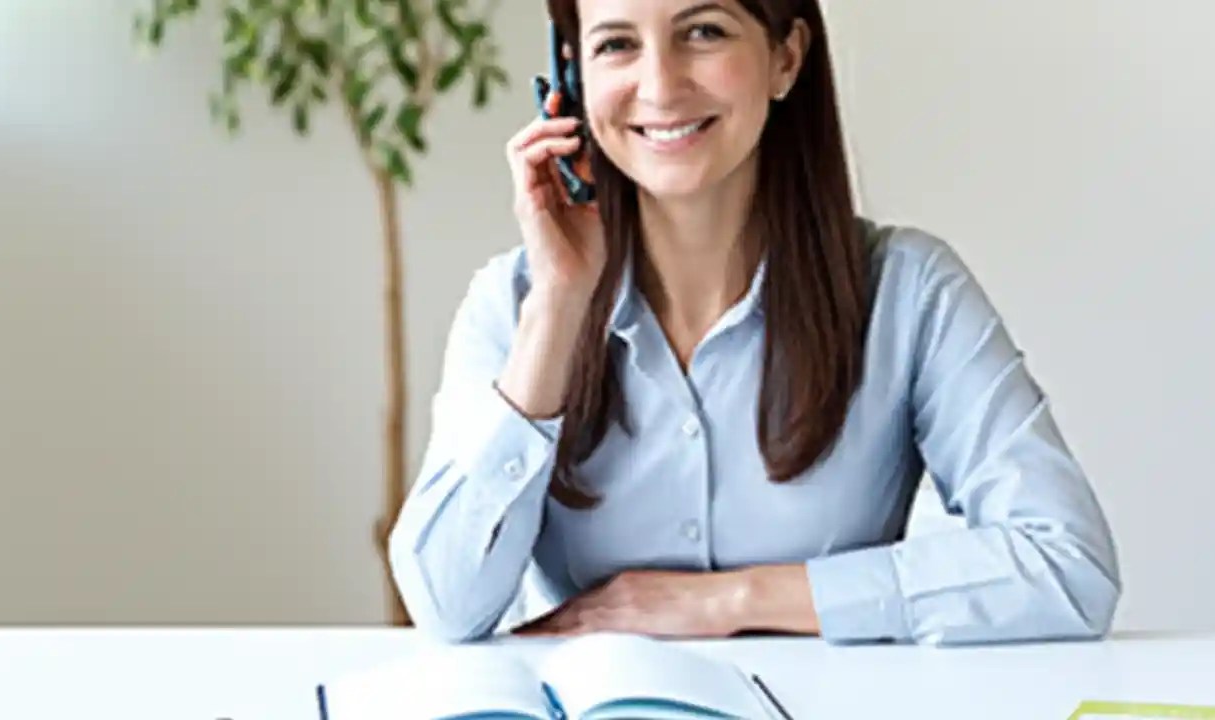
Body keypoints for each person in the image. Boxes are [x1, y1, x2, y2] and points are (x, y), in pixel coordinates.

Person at [389, 0, 1121, 646]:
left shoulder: (908, 291)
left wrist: (729, 600)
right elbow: (447, 607)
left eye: (703, 31)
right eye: (617, 44)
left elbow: (1066, 564)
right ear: (570, 77)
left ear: (785, 56)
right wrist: (557, 304)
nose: (660, 85)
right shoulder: (514, 299)